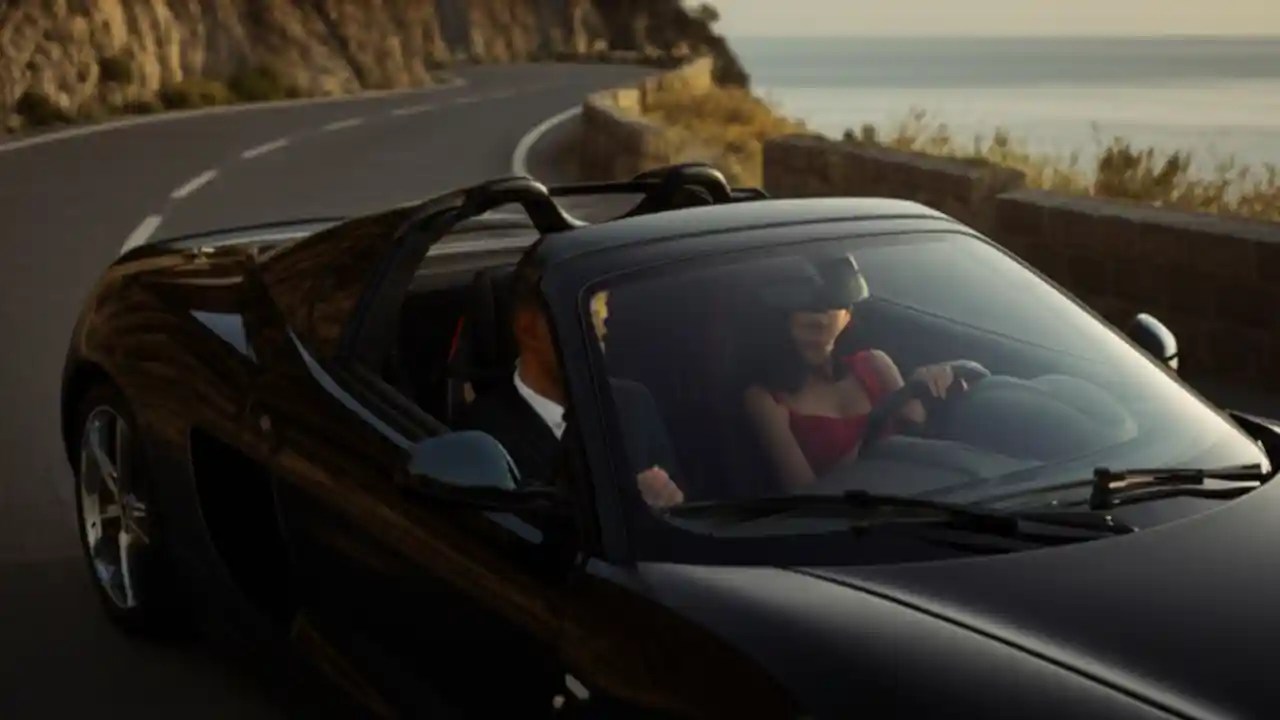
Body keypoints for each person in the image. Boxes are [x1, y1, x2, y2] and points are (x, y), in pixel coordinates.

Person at [460, 253, 685, 509]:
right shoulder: (482, 436)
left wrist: (669, 501)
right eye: (587, 315)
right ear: (528, 329)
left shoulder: (634, 404)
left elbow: (680, 503)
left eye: (604, 314)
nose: (602, 330)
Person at [742, 255, 963, 490]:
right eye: (809, 323)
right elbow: (809, 498)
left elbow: (917, 434)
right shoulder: (766, 399)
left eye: (832, 311)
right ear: (781, 322)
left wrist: (929, 381)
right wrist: (871, 446)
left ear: (847, 317)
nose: (821, 325)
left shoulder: (875, 364)